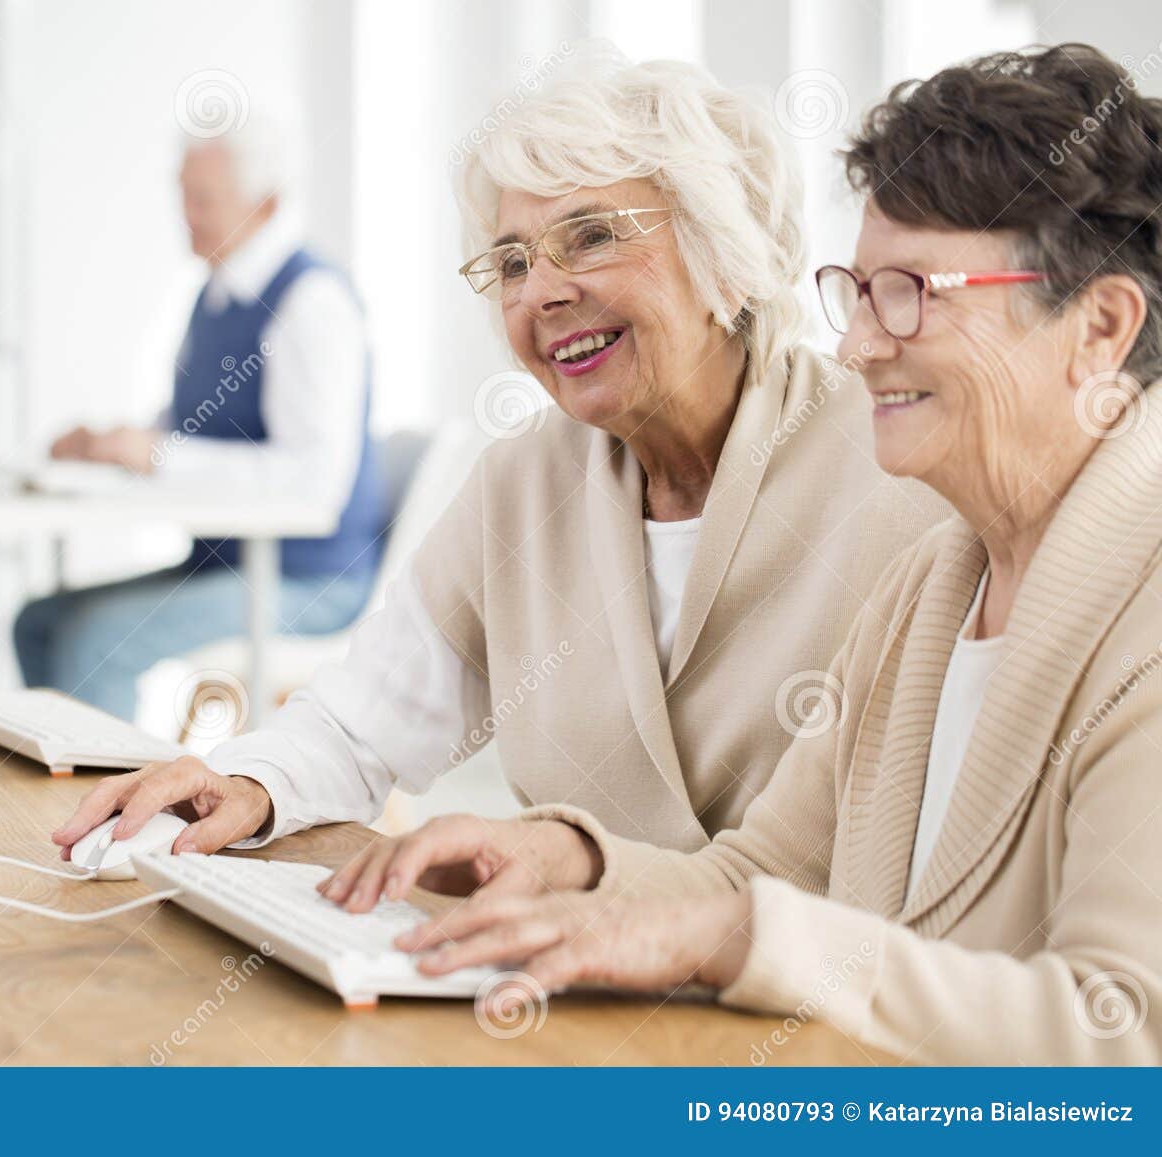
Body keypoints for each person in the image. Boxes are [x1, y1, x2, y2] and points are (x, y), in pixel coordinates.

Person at [341, 43, 1162, 1065]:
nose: (858, 346)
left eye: (909, 292)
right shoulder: (934, 586)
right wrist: (569, 858)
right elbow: (763, 872)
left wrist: (741, 939)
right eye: (855, 293)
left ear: (1100, 325)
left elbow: (1123, 1034)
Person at [52, 45, 944, 867]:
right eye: (512, 261)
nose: (544, 291)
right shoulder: (524, 486)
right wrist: (246, 780)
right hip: (568, 996)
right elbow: (363, 723)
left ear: (728, 249)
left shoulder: (900, 464)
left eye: (592, 236)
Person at [14, 122, 383, 719]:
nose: (186, 214)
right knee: (39, 623)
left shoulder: (311, 304)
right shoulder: (214, 295)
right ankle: (56, 789)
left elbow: (315, 482)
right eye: (182, 195)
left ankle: (108, 811)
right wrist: (114, 444)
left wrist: (156, 455)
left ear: (265, 204)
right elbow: (200, 428)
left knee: (93, 640)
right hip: (224, 563)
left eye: (204, 199)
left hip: (307, 583)